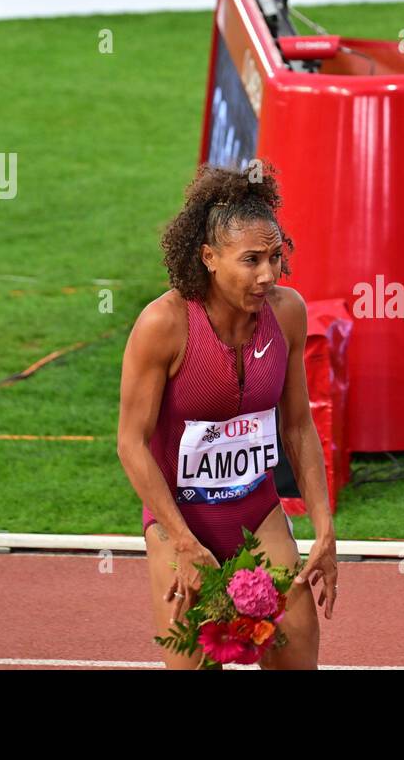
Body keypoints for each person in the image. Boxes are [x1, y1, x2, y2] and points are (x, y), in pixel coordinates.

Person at [117, 160, 338, 669]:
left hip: (256, 513)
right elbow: (131, 442)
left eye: (275, 257)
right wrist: (182, 542)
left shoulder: (287, 313)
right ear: (209, 257)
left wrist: (324, 528)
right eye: (251, 260)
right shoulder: (163, 326)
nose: (267, 275)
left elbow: (299, 424)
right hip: (180, 520)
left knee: (298, 651)